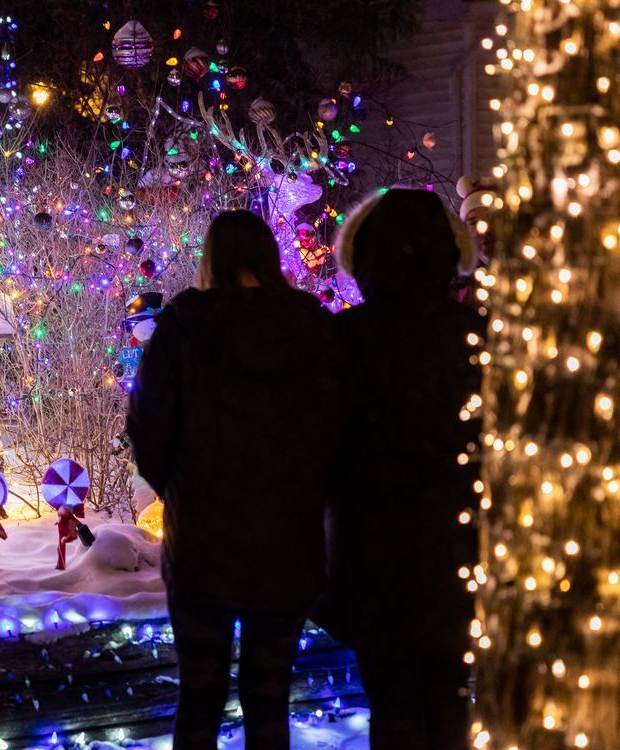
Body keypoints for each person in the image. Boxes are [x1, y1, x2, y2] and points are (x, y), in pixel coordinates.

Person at [127, 210, 341, 748]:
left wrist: (179, 488)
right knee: (270, 695)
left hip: (203, 543)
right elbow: (339, 427)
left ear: (211, 258)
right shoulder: (312, 325)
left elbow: (147, 426)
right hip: (288, 544)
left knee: (199, 696)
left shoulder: (181, 324)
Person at [324, 188, 482, 750]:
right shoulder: (476, 340)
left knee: (390, 707)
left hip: (370, 559)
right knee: (448, 699)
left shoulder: (342, 340)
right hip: (458, 554)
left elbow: (319, 451)